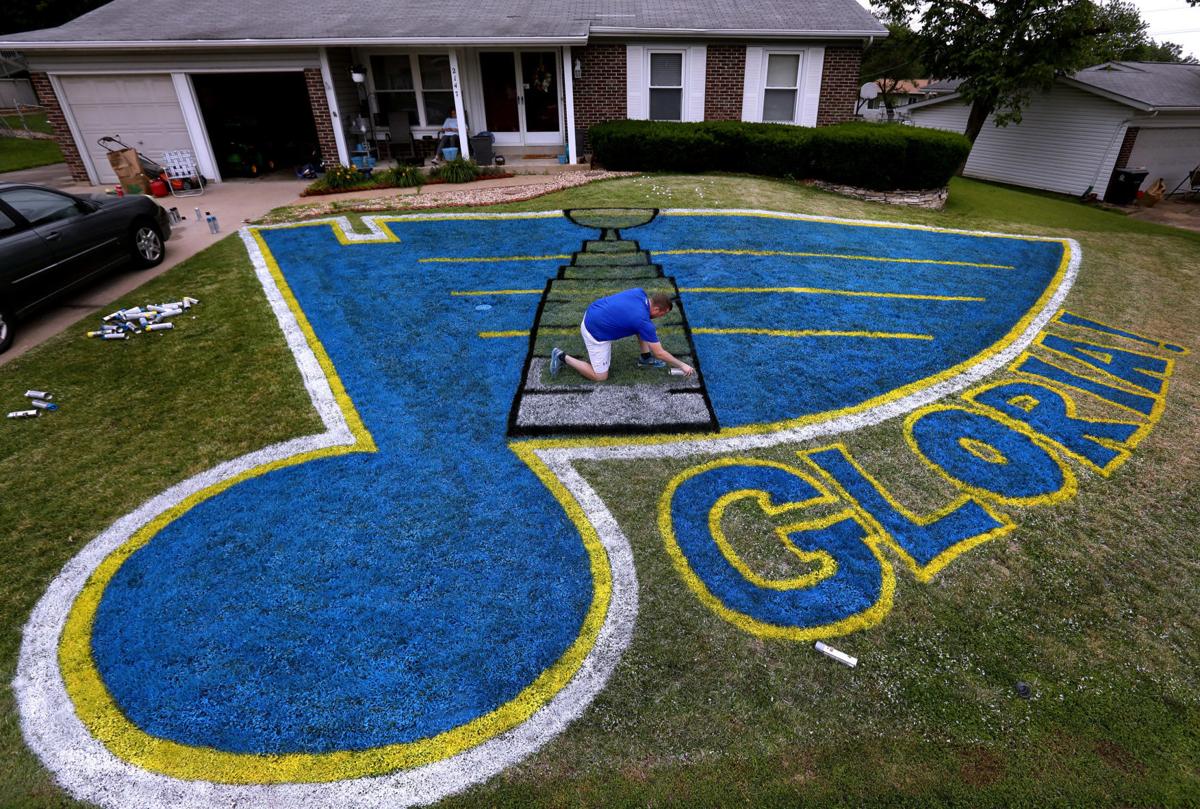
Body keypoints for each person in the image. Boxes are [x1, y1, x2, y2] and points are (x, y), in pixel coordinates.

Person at [550, 289, 695, 382]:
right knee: (600, 376)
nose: (662, 316)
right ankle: (561, 356)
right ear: (656, 309)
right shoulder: (643, 321)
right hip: (593, 331)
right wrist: (682, 365)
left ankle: (645, 358)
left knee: (641, 326)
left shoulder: (639, 293)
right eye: (663, 313)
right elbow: (659, 353)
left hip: (594, 311)